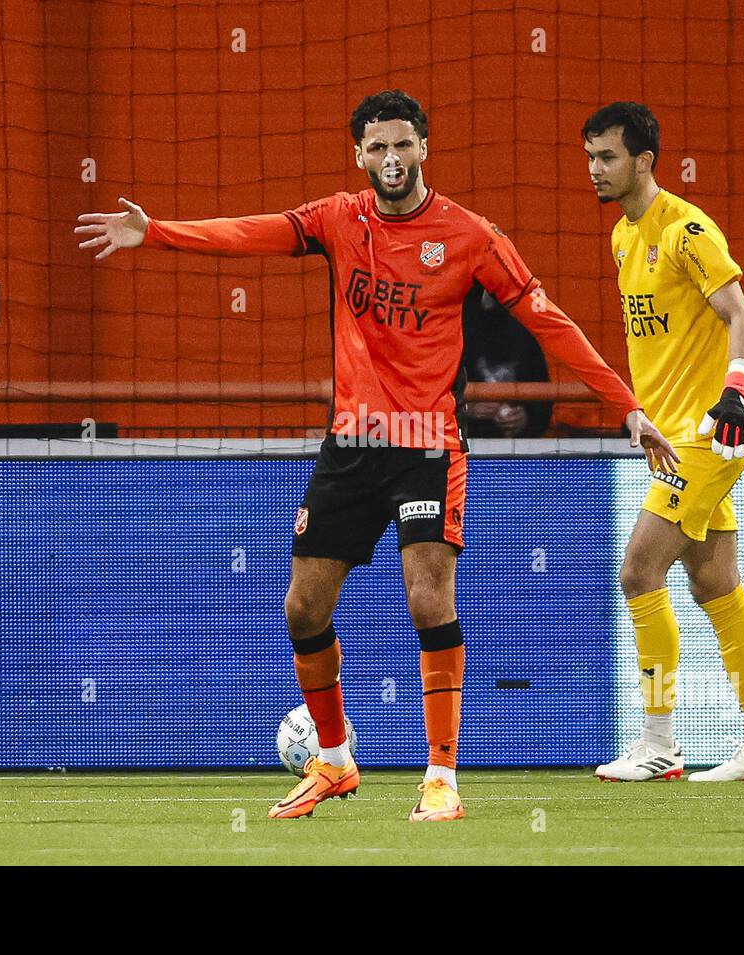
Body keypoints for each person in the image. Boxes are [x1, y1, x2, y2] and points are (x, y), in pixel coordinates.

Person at [77, 89, 679, 820]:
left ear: (424, 146)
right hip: (352, 444)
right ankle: (333, 761)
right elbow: (252, 233)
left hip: (428, 444)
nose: (390, 159)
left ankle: (441, 777)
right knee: (302, 607)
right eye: (376, 148)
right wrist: (159, 232)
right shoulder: (339, 219)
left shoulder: (469, 235)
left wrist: (628, 407)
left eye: (402, 145)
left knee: (428, 598)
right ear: (357, 155)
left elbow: (548, 322)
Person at [583, 102, 744, 783]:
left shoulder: (687, 230)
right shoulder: (621, 237)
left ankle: (659, 741)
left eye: (608, 156)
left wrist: (737, 391)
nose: (595, 169)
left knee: (637, 572)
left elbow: (741, 316)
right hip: (668, 435)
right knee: (715, 584)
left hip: (707, 432)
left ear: (644, 160)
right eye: (590, 157)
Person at [461, 286, 552, 438]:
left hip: (515, 448)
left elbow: (543, 399)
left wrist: (526, 417)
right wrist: (465, 410)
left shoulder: (522, 337)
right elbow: (431, 399)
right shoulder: (451, 335)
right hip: (464, 444)